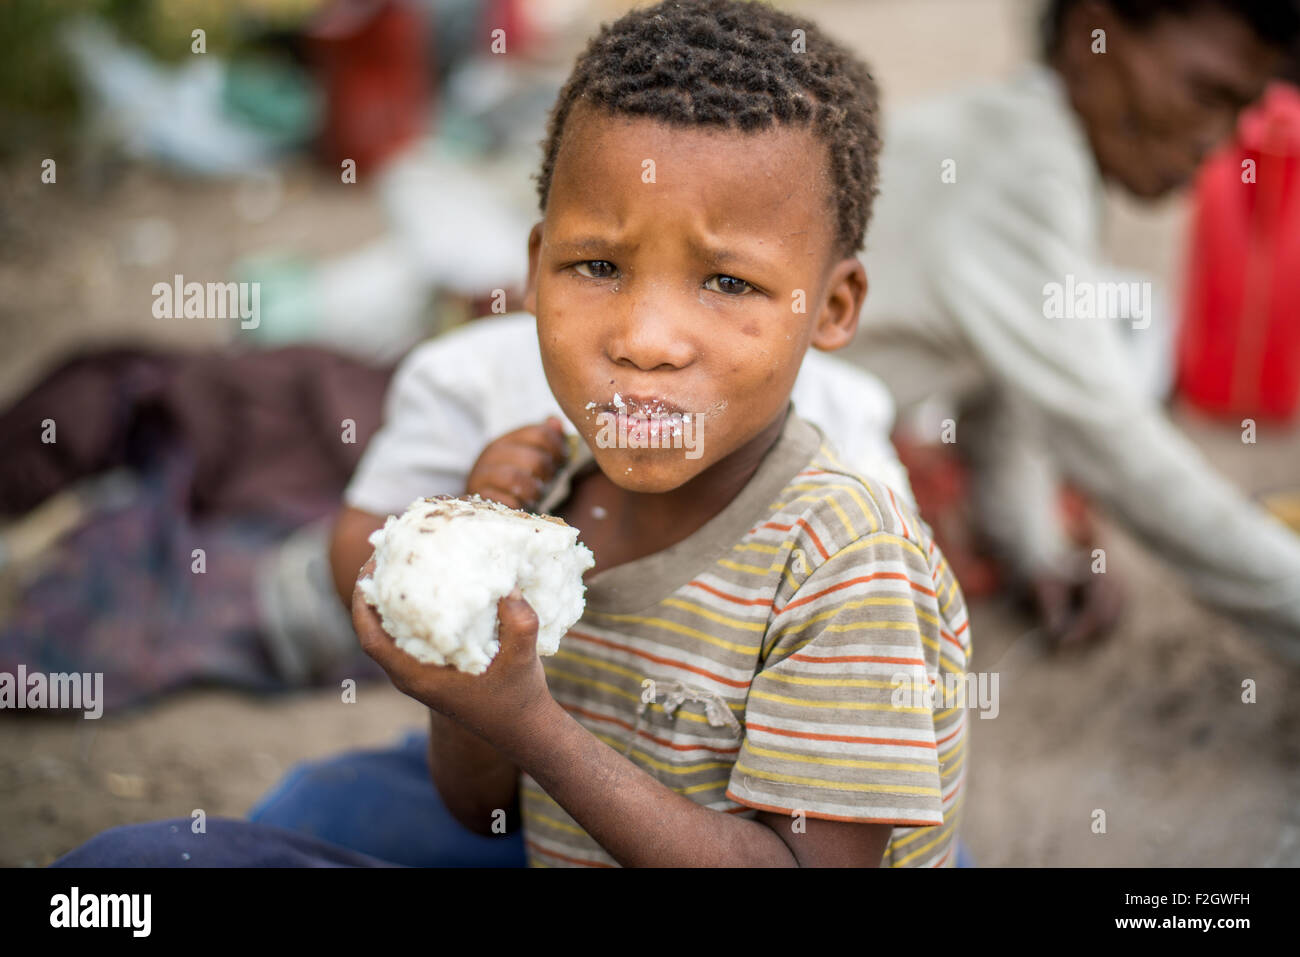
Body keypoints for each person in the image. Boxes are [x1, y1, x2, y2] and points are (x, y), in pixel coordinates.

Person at [54, 0, 971, 868]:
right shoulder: (551, 494)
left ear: (835, 307)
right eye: (598, 265)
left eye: (728, 283)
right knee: (126, 871)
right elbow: (482, 807)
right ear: (535, 270)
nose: (644, 341)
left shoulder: (845, 564)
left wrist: (535, 726)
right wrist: (468, 650)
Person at [840, 0, 1300, 652]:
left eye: (1240, 110)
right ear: (1095, 39)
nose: (1218, 140)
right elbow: (1116, 445)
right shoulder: (1024, 173)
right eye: (1207, 94)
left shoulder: (1025, 140)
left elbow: (1008, 378)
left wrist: (1035, 548)